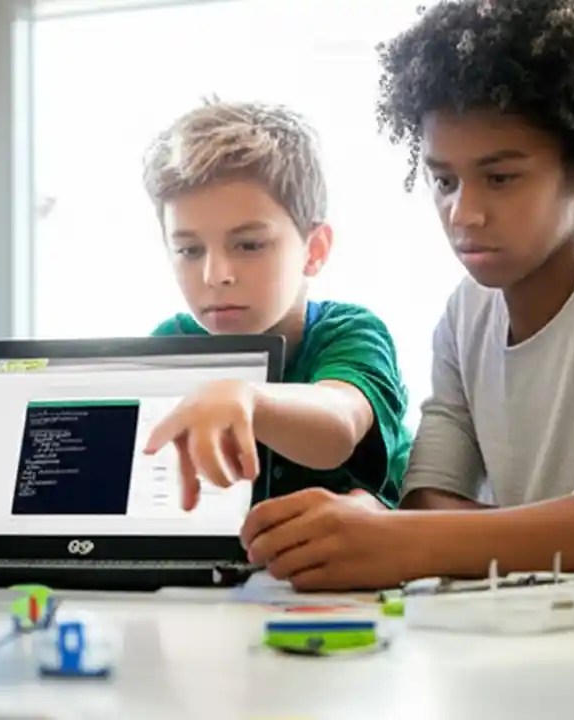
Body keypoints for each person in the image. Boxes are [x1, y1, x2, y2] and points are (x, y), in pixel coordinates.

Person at [239, 0, 574, 590]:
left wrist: (395, 539)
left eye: (500, 178)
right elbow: (427, 496)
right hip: (505, 624)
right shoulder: (466, 311)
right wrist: (528, 538)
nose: (464, 213)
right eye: (444, 181)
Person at [141, 100, 412, 512]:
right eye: (190, 250)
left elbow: (338, 425)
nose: (215, 274)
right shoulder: (171, 344)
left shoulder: (348, 332)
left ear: (314, 250)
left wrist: (247, 398)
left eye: (249, 245)